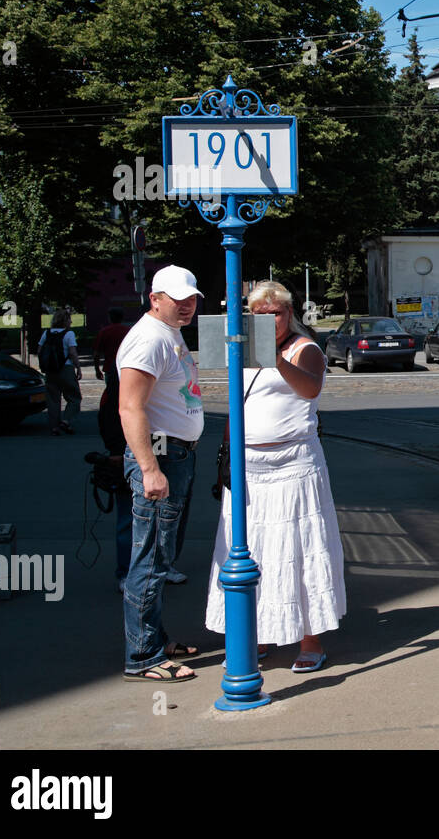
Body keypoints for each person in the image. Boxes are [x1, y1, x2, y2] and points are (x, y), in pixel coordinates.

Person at [205, 281, 346, 674]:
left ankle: (310, 639)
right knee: (255, 552)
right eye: (261, 315)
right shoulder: (242, 351)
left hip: (294, 466)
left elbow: (309, 388)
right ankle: (262, 631)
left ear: (290, 313)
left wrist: (275, 359)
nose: (270, 320)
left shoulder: (307, 349)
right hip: (250, 466)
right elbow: (235, 404)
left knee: (300, 550)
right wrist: (226, 459)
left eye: (277, 313)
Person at [116, 265, 204, 682]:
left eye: (191, 298)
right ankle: (143, 655)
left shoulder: (167, 332)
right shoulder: (149, 340)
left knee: (160, 555)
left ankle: (153, 637)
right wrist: (150, 468)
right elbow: (130, 408)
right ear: (155, 298)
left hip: (174, 453)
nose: (186, 305)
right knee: (150, 557)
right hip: (162, 454)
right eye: (177, 299)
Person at [93, 308, 134, 591]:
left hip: (133, 451)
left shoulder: (109, 332)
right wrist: (117, 451)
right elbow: (110, 418)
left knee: (132, 518)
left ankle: (140, 570)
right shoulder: (121, 384)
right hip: (125, 454)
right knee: (127, 517)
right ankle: (125, 572)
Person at [38, 308, 81, 435]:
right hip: (65, 368)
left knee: (53, 399)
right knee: (74, 397)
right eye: (69, 319)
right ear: (65, 321)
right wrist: (78, 367)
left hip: (51, 370)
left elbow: (40, 350)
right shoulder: (69, 334)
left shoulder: (46, 333)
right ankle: (66, 421)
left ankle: (54, 427)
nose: (71, 321)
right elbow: (72, 353)